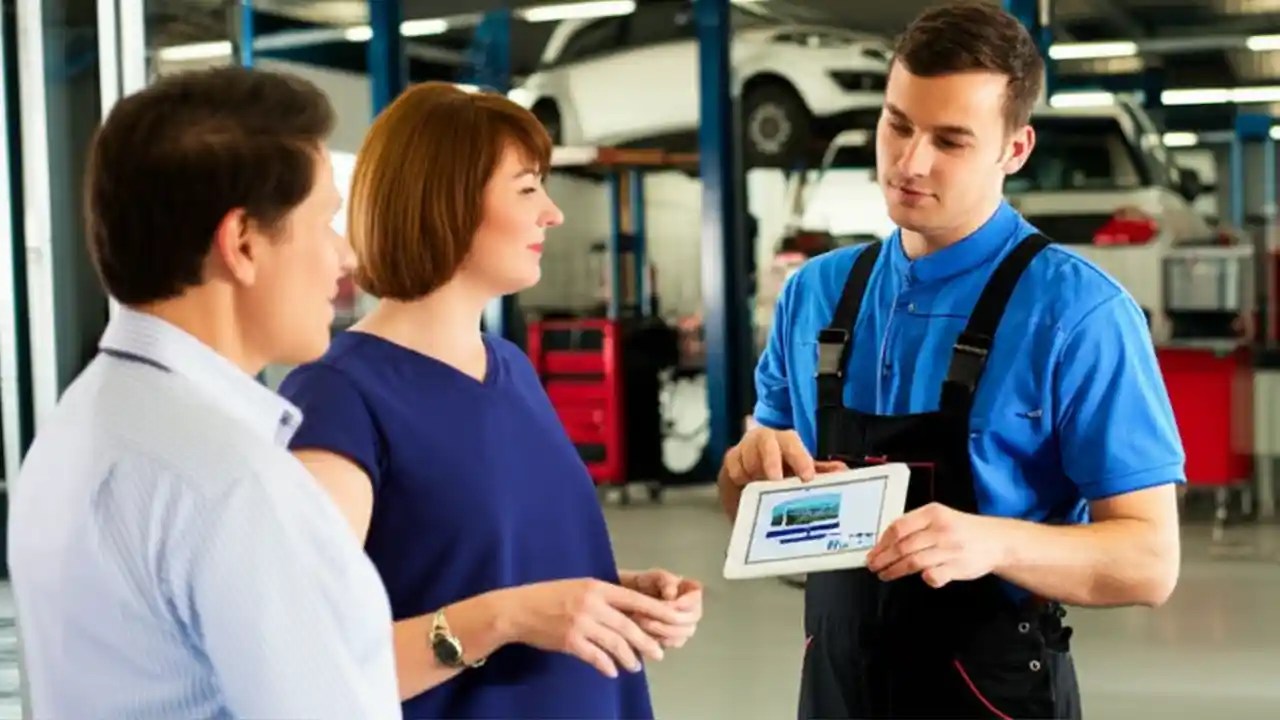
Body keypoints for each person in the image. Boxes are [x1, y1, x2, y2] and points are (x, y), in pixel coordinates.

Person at [717, 3, 1184, 719]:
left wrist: (989, 542)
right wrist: (744, 474)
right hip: (838, 690)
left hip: (992, 696)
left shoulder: (1078, 315)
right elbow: (755, 511)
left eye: (950, 140)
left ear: (1015, 150)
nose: (910, 162)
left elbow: (1150, 562)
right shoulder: (814, 295)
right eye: (897, 124)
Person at [277, 81, 703, 720]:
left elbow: (486, 563)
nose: (552, 213)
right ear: (445, 203)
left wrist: (605, 596)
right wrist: (506, 618)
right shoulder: (337, 395)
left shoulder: (510, 368)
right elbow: (311, 663)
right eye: (528, 188)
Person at [6, 66, 400, 718]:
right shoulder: (230, 482)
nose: (345, 258)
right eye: (325, 221)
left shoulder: (80, 425)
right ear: (243, 243)